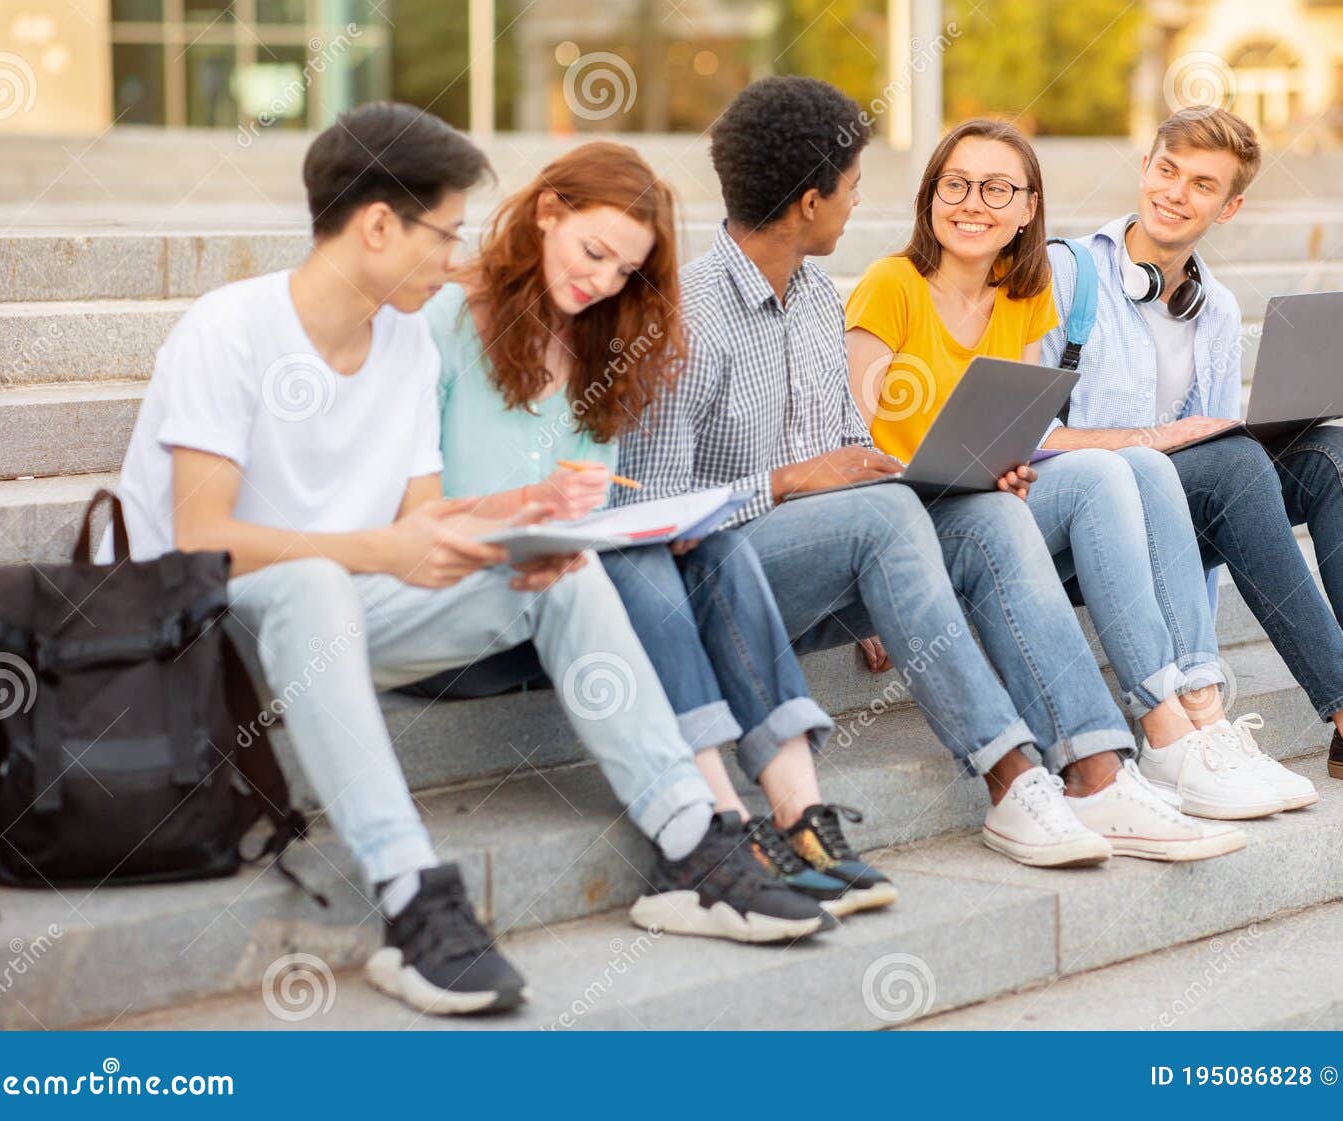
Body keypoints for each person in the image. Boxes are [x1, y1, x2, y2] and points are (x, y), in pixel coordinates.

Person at [105, 104, 832, 1020]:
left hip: (349, 612)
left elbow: (422, 519)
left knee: (560, 576)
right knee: (315, 582)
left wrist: (521, 528)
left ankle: (692, 843)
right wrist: (385, 550)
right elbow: (198, 541)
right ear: (377, 224)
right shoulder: (231, 328)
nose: (456, 258)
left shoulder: (405, 339)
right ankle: (412, 896)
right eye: (443, 232)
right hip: (206, 628)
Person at [619, 76, 1247, 867]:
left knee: (986, 513)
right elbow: (648, 513)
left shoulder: (816, 296)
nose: (856, 205)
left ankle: (1096, 772)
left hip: (841, 548)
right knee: (885, 517)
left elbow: (858, 455)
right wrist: (788, 483)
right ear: (810, 202)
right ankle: (1012, 778)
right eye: (849, 189)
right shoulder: (681, 315)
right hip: (724, 572)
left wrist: (966, 475)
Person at [411, 139, 895, 918]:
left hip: (570, 593)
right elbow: (411, 514)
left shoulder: (598, 340)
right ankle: (717, 828)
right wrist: (534, 502)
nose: (600, 281)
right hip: (472, 600)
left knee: (715, 543)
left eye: (624, 272)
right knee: (632, 566)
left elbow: (592, 503)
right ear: (545, 214)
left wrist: (632, 516)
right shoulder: (441, 325)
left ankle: (800, 815)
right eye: (593, 252)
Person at [1037, 105, 1343, 794]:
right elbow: (1021, 438)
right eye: (1167, 170)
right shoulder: (1066, 274)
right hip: (1089, 524)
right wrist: (1151, 439)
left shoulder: (1216, 309)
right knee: (1233, 462)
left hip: (1172, 520)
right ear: (1145, 167)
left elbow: (1206, 465)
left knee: (1334, 451)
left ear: (1229, 208)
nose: (1175, 193)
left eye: (1202, 185)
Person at [844, 117, 1314, 819]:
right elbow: (847, 442)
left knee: (1139, 468)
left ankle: (1191, 720)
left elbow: (1026, 434)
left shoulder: (1026, 296)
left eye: (998, 188)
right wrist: (872, 584)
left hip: (992, 499)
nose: (974, 202)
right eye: (957, 184)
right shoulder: (890, 284)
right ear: (930, 195)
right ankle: (1162, 727)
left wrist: (1139, 441)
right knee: (1112, 466)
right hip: (909, 520)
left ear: (1030, 207)